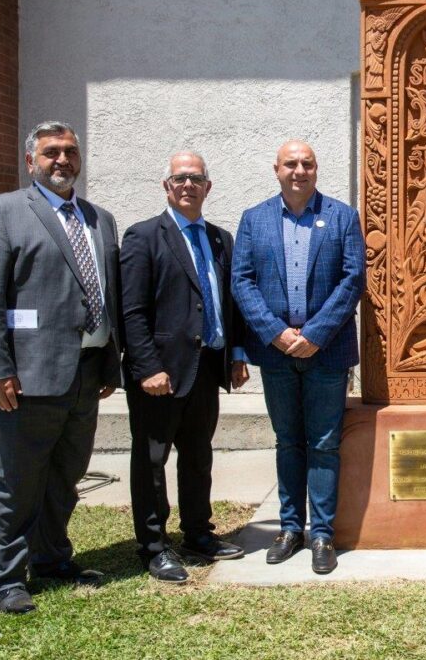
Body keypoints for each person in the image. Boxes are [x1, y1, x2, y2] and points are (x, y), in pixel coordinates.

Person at [0, 121, 122, 614]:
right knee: (17, 478)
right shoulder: (2, 212)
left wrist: (109, 361)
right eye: (51, 152)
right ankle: (6, 577)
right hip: (21, 379)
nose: (62, 160)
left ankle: (51, 558)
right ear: (31, 161)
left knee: (65, 475)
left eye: (71, 151)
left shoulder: (100, 218)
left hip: (86, 373)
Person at [231, 140, 365, 574]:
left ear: (316, 169)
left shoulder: (342, 216)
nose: (299, 170)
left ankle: (322, 534)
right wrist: (275, 333)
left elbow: (352, 279)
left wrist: (316, 335)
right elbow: (243, 281)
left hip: (325, 353)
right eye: (291, 164)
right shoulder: (255, 219)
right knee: (288, 441)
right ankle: (291, 528)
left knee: (324, 444)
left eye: (307, 163)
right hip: (276, 353)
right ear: (277, 169)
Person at [120, 151, 250, 583]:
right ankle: (154, 547)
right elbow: (132, 312)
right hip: (161, 374)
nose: (188, 185)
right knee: (152, 460)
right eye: (179, 178)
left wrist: (234, 355)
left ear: (208, 187)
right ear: (166, 186)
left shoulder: (219, 239)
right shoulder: (143, 237)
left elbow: (227, 305)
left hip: (207, 369)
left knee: (197, 457)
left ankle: (198, 534)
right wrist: (147, 367)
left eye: (196, 178)